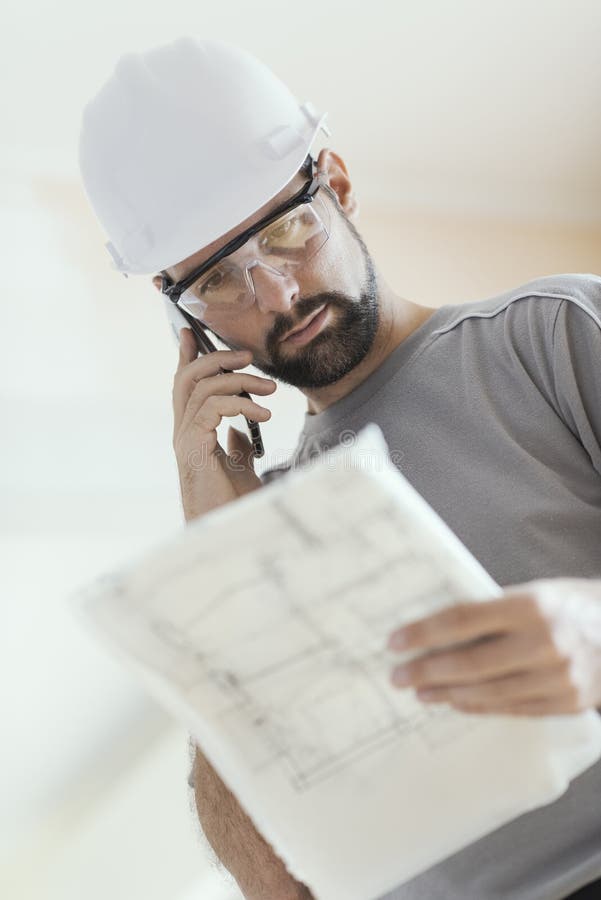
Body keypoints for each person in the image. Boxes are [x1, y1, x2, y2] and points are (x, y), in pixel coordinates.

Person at [79, 37, 601, 900]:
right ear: (181, 315)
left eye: (286, 231)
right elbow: (277, 885)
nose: (276, 295)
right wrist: (218, 545)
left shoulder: (551, 337)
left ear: (339, 183)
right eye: (219, 282)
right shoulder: (268, 534)